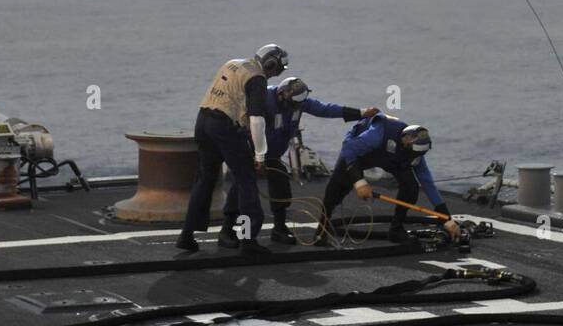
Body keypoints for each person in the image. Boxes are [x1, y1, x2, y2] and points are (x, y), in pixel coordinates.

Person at [176, 42, 288, 258]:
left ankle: (186, 235)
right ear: (271, 63)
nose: (276, 75)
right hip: (223, 126)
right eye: (277, 69)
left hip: (203, 121)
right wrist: (260, 154)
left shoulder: (233, 63)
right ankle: (248, 239)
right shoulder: (257, 79)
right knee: (246, 180)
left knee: (205, 180)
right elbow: (256, 119)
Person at [247, 76, 380, 243]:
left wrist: (361, 113)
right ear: (282, 95)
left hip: (272, 155)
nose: (297, 107)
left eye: (299, 104)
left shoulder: (299, 102)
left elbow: (325, 109)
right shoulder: (262, 99)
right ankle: (233, 233)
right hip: (249, 154)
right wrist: (254, 154)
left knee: (281, 189)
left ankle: (279, 229)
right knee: (243, 193)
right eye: (294, 104)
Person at [314, 114, 460, 245]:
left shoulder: (415, 156)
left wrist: (447, 219)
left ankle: (396, 230)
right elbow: (349, 150)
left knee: (411, 187)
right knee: (336, 191)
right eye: (413, 154)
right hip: (359, 155)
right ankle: (321, 231)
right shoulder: (378, 134)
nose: (415, 159)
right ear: (406, 143)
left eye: (419, 156)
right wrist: (359, 182)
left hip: (392, 160)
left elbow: (428, 184)